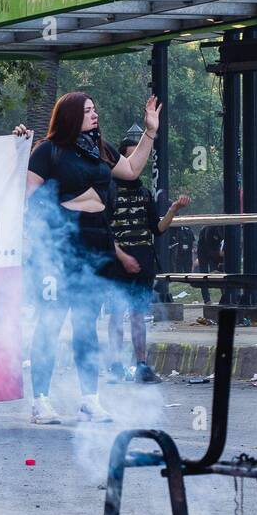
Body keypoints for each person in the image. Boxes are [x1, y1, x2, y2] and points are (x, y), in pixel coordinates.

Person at [15, 91, 163, 424]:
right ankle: (40, 400)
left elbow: (132, 169)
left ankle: (89, 399)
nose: (94, 114)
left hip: (96, 241)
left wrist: (150, 131)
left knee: (85, 324)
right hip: (59, 245)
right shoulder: (48, 152)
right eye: (87, 110)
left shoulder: (101, 150)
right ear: (69, 116)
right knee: (50, 322)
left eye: (95, 109)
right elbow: (26, 196)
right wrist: (17, 150)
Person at [106, 136, 190, 383]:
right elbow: (104, 231)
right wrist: (122, 257)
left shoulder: (144, 194)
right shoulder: (108, 190)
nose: (138, 162)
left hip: (143, 264)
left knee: (138, 315)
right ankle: (115, 364)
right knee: (116, 313)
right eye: (132, 157)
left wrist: (173, 210)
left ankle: (141, 365)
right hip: (116, 265)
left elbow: (158, 228)